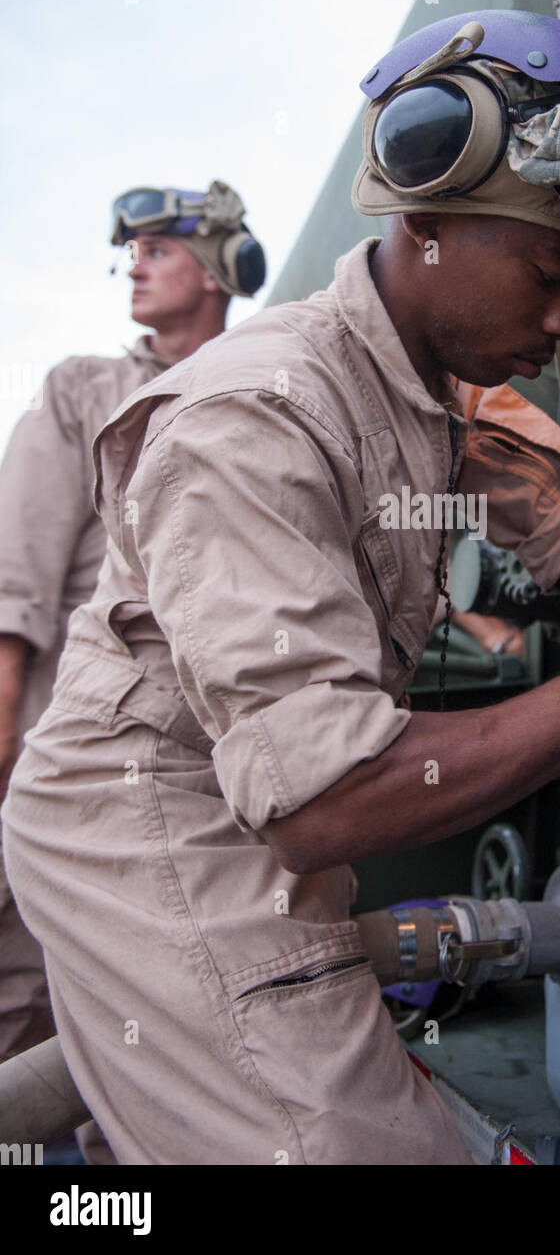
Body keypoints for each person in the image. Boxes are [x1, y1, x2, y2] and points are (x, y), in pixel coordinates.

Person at [3, 11, 560, 1166]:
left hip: (267, 791)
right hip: (154, 816)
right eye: (551, 274)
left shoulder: (435, 384)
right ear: (428, 216)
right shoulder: (259, 414)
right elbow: (323, 803)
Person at [0, 181, 265, 1077]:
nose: (136, 266)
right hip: (49, 736)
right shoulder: (87, 388)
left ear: (225, 266)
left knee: (153, 1026)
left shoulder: (258, 385)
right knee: (16, 994)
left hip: (191, 773)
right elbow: (17, 564)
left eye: (159, 248)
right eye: (132, 251)